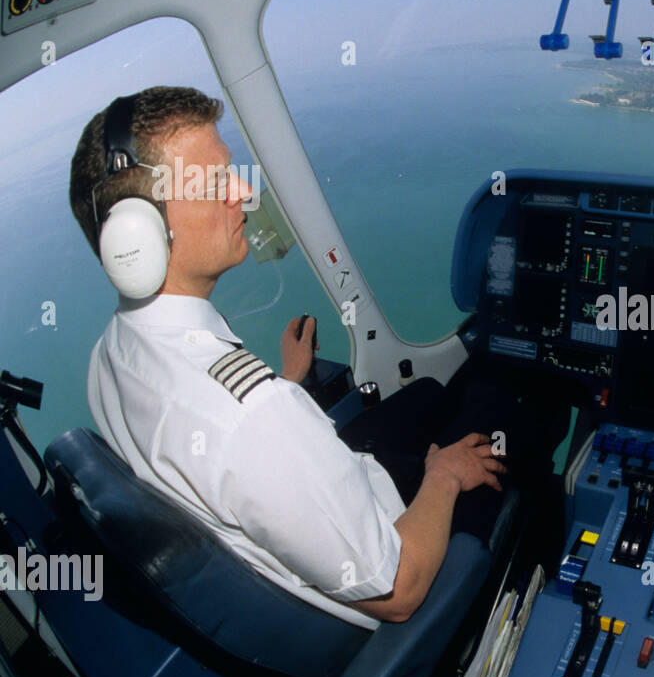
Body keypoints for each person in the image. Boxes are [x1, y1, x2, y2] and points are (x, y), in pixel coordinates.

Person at [69, 86, 512, 628]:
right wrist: (442, 477)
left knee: (427, 395)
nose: (242, 193)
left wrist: (291, 383)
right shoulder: (251, 416)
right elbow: (399, 590)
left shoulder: (112, 353)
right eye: (213, 183)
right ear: (138, 230)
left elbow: (227, 451)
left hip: (337, 511)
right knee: (506, 419)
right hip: (402, 570)